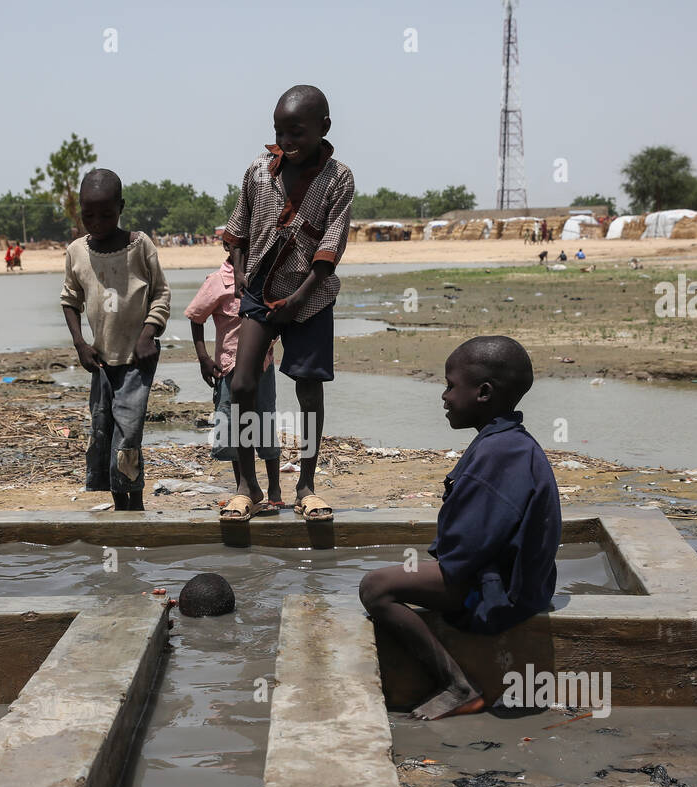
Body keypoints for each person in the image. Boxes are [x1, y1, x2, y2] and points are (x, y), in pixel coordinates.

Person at [359, 336, 561, 719]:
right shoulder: (508, 443)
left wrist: (433, 570)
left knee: (376, 587)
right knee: (409, 575)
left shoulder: (496, 454)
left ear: (483, 392)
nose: (445, 396)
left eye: (451, 385)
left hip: (501, 593)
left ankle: (457, 685)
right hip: (523, 582)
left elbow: (460, 554)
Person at [219, 84, 355, 522]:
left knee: (308, 389)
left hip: (311, 295)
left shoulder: (339, 179)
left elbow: (332, 247)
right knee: (241, 386)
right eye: (280, 132)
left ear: (324, 128)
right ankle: (246, 486)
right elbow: (238, 228)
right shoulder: (259, 171)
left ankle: (307, 486)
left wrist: (298, 300)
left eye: (296, 131)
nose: (288, 141)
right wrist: (240, 271)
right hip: (261, 290)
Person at [61, 168, 170, 511]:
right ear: (80, 211)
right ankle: (118, 503)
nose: (97, 222)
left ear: (120, 207)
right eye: (89, 215)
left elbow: (161, 294)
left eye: (106, 214)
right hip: (101, 362)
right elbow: (70, 300)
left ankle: (133, 506)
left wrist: (148, 333)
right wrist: (80, 344)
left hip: (137, 360)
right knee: (103, 431)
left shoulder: (139, 246)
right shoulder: (77, 252)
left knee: (129, 434)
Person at [185, 258, 285, 515]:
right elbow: (196, 317)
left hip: (263, 365)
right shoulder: (218, 282)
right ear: (229, 248)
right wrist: (203, 358)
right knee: (232, 426)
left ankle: (275, 490)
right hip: (228, 368)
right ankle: (247, 487)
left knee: (265, 422)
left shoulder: (266, 275)